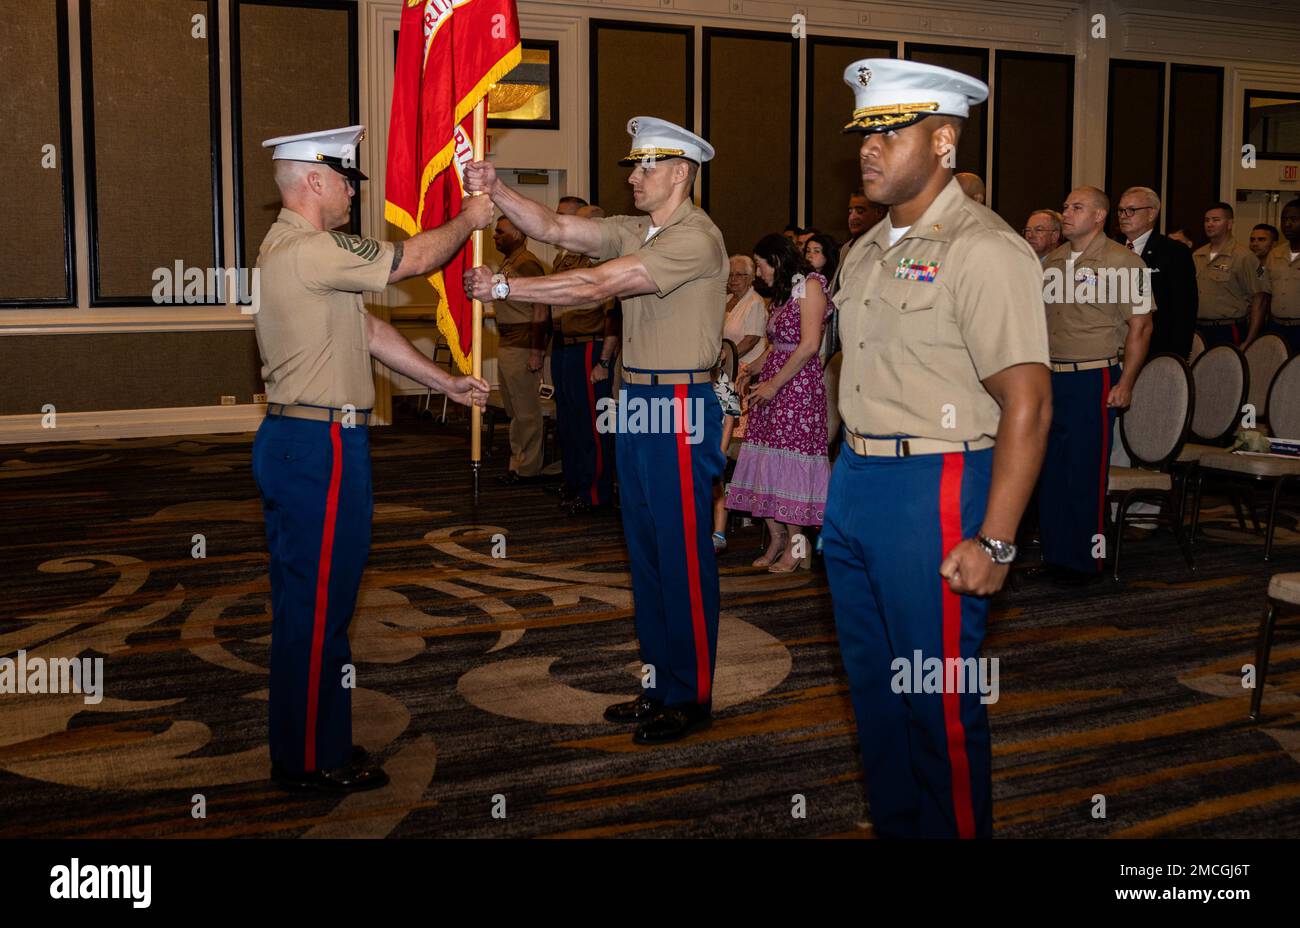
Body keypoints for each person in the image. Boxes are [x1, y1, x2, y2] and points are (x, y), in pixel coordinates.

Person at [824, 60, 1051, 839]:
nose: (870, 148)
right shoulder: (864, 250)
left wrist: (997, 540)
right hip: (856, 482)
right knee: (876, 694)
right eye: (865, 133)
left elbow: (1029, 403)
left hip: (939, 483)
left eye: (891, 131)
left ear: (944, 139)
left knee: (939, 703)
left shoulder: (984, 248)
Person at [463, 116, 727, 745]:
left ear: (682, 173)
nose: (634, 176)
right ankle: (659, 684)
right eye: (633, 166)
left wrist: (505, 285)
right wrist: (496, 191)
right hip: (636, 400)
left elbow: (598, 282)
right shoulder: (640, 228)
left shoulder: (698, 238)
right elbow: (554, 228)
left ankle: (690, 696)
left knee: (682, 558)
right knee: (645, 554)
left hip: (680, 406)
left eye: (646, 167)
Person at [254, 125, 491, 791]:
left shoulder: (296, 251)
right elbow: (409, 261)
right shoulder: (315, 247)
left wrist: (443, 382)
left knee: (313, 604)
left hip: (305, 441)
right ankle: (307, 761)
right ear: (313, 182)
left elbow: (371, 330)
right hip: (318, 446)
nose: (355, 190)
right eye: (346, 179)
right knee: (318, 607)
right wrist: (470, 216)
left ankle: (315, 741)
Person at [1039, 186, 1151, 585]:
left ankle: (1087, 562)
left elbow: (1141, 327)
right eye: (1066, 205)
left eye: (1077, 207)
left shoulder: (1125, 263)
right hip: (1051, 377)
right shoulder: (1052, 261)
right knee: (1051, 469)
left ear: (1100, 215)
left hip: (1095, 376)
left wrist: (1127, 382)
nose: (1066, 213)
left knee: (1086, 472)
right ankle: (1056, 555)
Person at [726, 234, 832, 572]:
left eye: (760, 264)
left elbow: (808, 345)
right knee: (766, 463)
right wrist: (752, 369)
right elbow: (776, 345)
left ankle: (798, 545)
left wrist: (773, 384)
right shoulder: (784, 293)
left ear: (778, 260)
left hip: (797, 387)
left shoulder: (811, 286)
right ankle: (776, 539)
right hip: (773, 383)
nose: (758, 272)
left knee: (792, 468)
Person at [550, 203, 620, 514]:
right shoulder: (567, 258)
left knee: (594, 425)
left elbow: (612, 315)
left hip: (591, 347)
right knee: (570, 422)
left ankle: (596, 492)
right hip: (566, 345)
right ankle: (577, 481)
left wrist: (604, 361)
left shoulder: (604, 262)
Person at [489, 217, 551, 484]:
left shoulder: (527, 263)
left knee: (526, 411)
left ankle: (526, 469)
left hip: (523, 345)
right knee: (515, 409)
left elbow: (541, 308)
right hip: (508, 343)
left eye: (500, 232)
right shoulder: (510, 263)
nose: (495, 236)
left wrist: (536, 350)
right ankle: (518, 464)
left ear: (517, 233)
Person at [712, 254, 767, 552]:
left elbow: (749, 339)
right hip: (720, 375)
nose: (733, 279)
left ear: (751, 277)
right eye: (730, 274)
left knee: (726, 445)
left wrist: (724, 357)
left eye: (739, 275)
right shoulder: (724, 300)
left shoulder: (755, 302)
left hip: (742, 376)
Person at [1116, 186, 1197, 359]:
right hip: (1114, 347)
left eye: (1131, 210)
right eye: (1121, 210)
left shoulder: (1173, 252)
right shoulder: (1110, 249)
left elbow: (1183, 307)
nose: (1123, 216)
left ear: (1151, 214)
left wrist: (1177, 356)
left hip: (1157, 348)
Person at [1193, 202, 1268, 349]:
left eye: (1216, 220)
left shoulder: (1244, 256)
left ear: (1229, 224)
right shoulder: (1197, 255)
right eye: (1207, 220)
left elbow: (1260, 300)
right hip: (1200, 328)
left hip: (1228, 328)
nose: (1210, 224)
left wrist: (1250, 339)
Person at [1262, 199, 1300, 352]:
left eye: (1293, 219)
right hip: (1276, 328)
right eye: (1284, 219)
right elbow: (1266, 294)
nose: (1287, 224)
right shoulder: (1275, 254)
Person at [804, 232, 842, 357]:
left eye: (816, 251)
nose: (810, 255)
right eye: (808, 251)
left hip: (826, 340)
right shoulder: (802, 280)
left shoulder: (834, 283)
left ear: (827, 255)